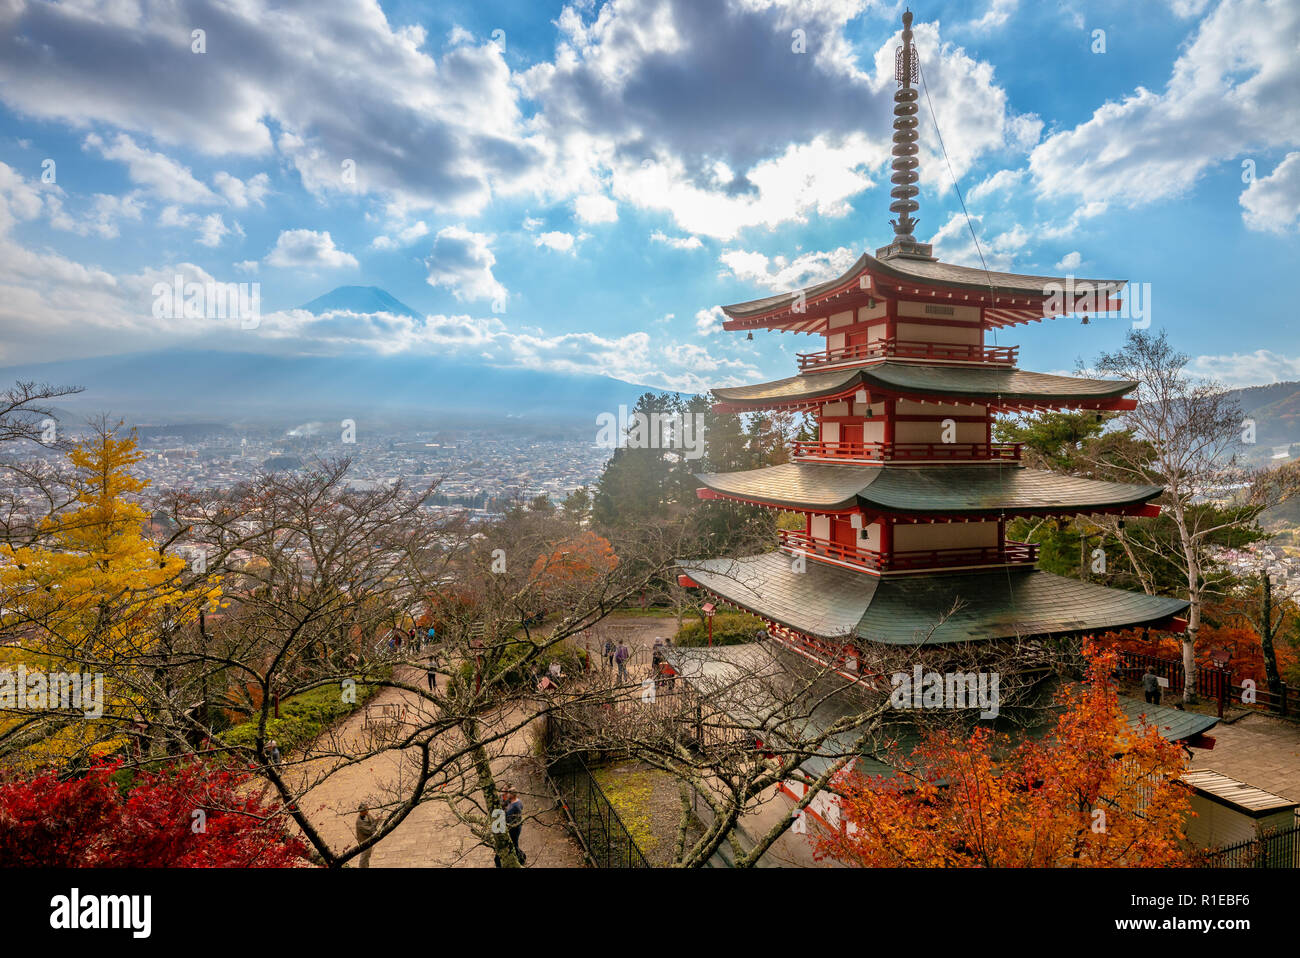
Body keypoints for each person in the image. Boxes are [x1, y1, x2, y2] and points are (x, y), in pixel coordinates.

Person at [494, 786, 526, 866]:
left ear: (513, 795)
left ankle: (521, 859)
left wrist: (510, 825)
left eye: (508, 793)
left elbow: (518, 819)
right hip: (509, 827)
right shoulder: (510, 801)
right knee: (512, 844)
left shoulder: (516, 805)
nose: (507, 794)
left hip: (514, 828)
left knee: (514, 844)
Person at [356, 803, 377, 868]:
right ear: (362, 811)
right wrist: (377, 821)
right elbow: (370, 830)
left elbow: (373, 822)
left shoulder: (367, 815)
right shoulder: (359, 823)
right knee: (364, 857)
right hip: (365, 841)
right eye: (366, 810)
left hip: (369, 839)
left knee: (367, 856)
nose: (368, 811)